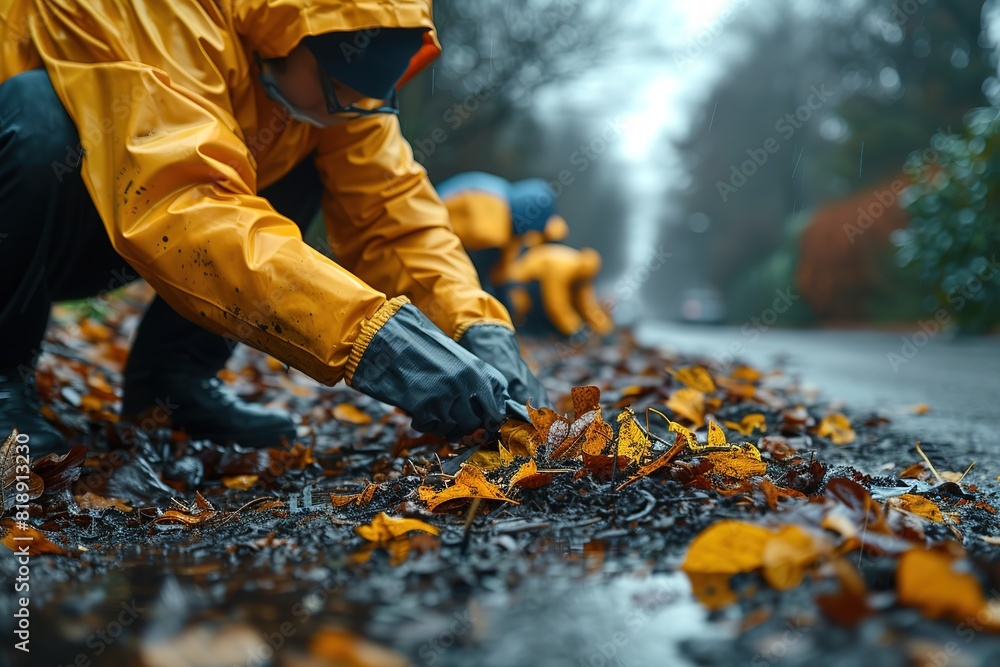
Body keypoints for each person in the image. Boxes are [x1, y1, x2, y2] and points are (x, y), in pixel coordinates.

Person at [0, 0, 549, 456]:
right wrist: (375, 341)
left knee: (301, 148)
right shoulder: (159, 14)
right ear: (293, 39)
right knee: (36, 112)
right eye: (342, 88)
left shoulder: (336, 78)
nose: (356, 109)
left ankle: (171, 388)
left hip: (115, 225)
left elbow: (392, 217)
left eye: (374, 93)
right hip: (53, 203)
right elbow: (185, 202)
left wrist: (476, 330)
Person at [435, 172, 613, 337]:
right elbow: (554, 300)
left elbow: (501, 271)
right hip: (435, 242)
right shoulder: (492, 225)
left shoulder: (506, 226)